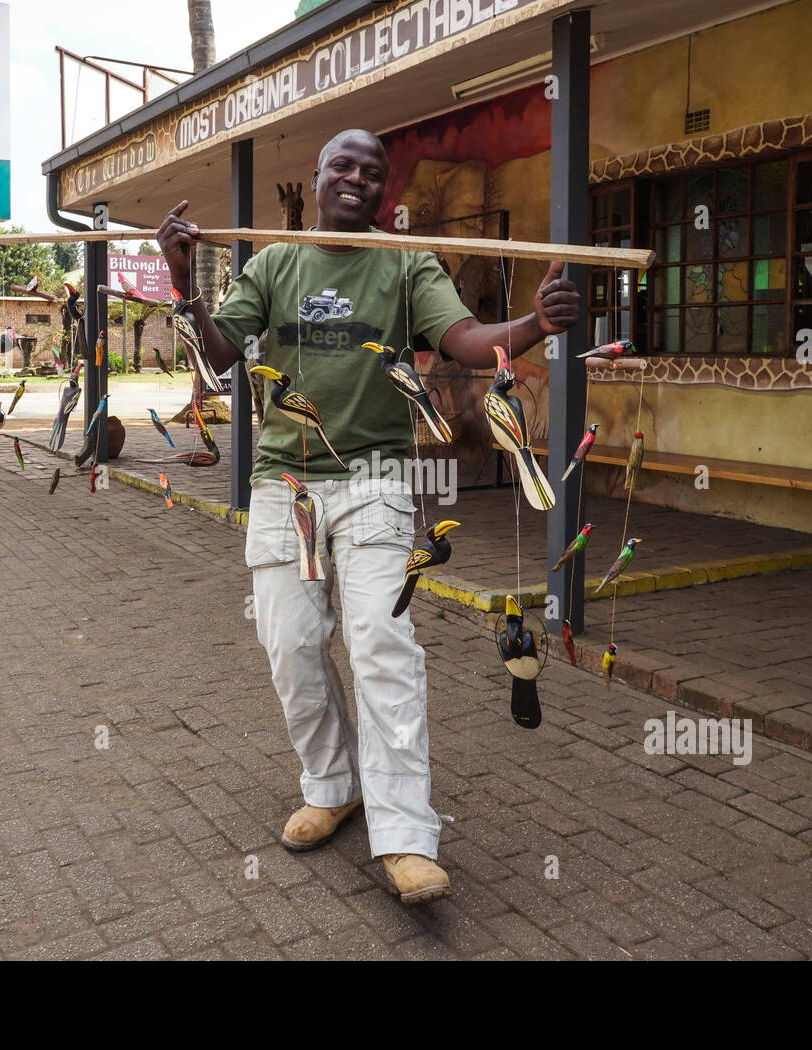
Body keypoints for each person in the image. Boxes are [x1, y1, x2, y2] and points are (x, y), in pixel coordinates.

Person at [157, 128, 580, 904]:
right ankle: (332, 785)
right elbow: (221, 357)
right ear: (318, 177)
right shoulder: (276, 262)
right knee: (289, 643)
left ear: (385, 193)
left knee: (382, 643)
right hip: (287, 480)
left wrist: (532, 328)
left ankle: (406, 835)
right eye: (342, 165)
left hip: (377, 478)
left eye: (372, 172)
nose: (356, 178)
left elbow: (463, 338)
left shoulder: (404, 262)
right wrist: (182, 283)